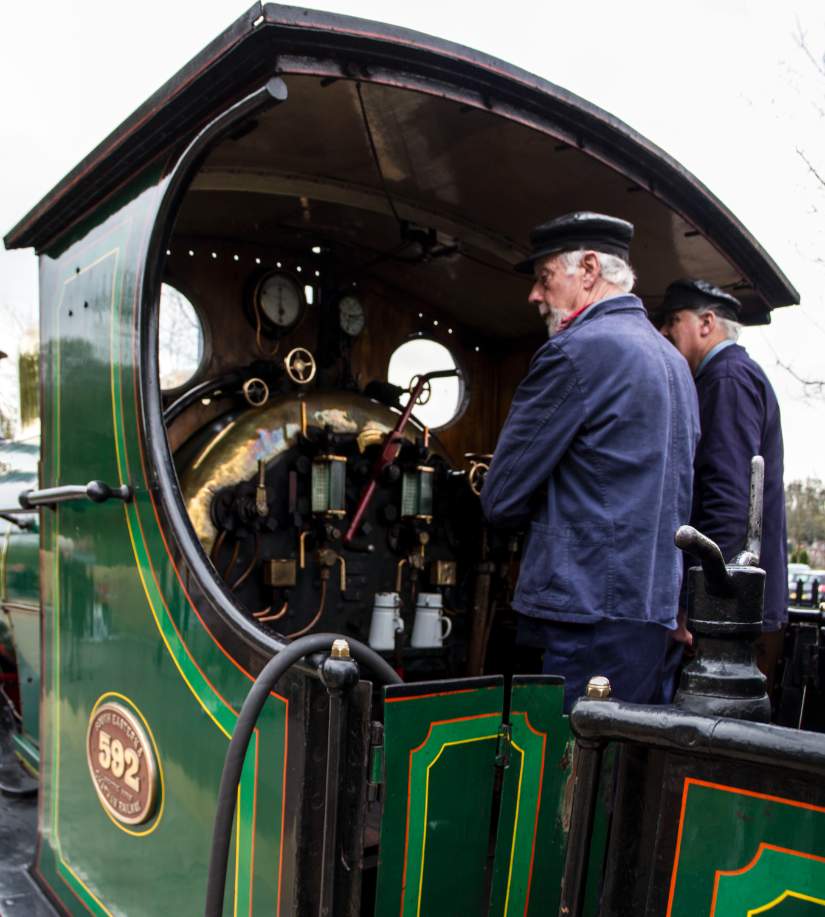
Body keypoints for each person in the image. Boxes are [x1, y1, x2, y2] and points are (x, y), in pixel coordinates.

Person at [481, 212, 699, 711]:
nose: (535, 295)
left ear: (589, 269)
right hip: (654, 615)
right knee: (623, 755)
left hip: (581, 614)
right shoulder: (674, 363)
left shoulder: (575, 352)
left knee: (565, 756)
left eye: (544, 278)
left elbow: (502, 497)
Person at [656, 278, 788, 689]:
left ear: (706, 323)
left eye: (673, 321)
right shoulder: (734, 374)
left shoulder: (726, 377)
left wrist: (701, 604)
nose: (664, 332)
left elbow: (728, 499)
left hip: (726, 608)